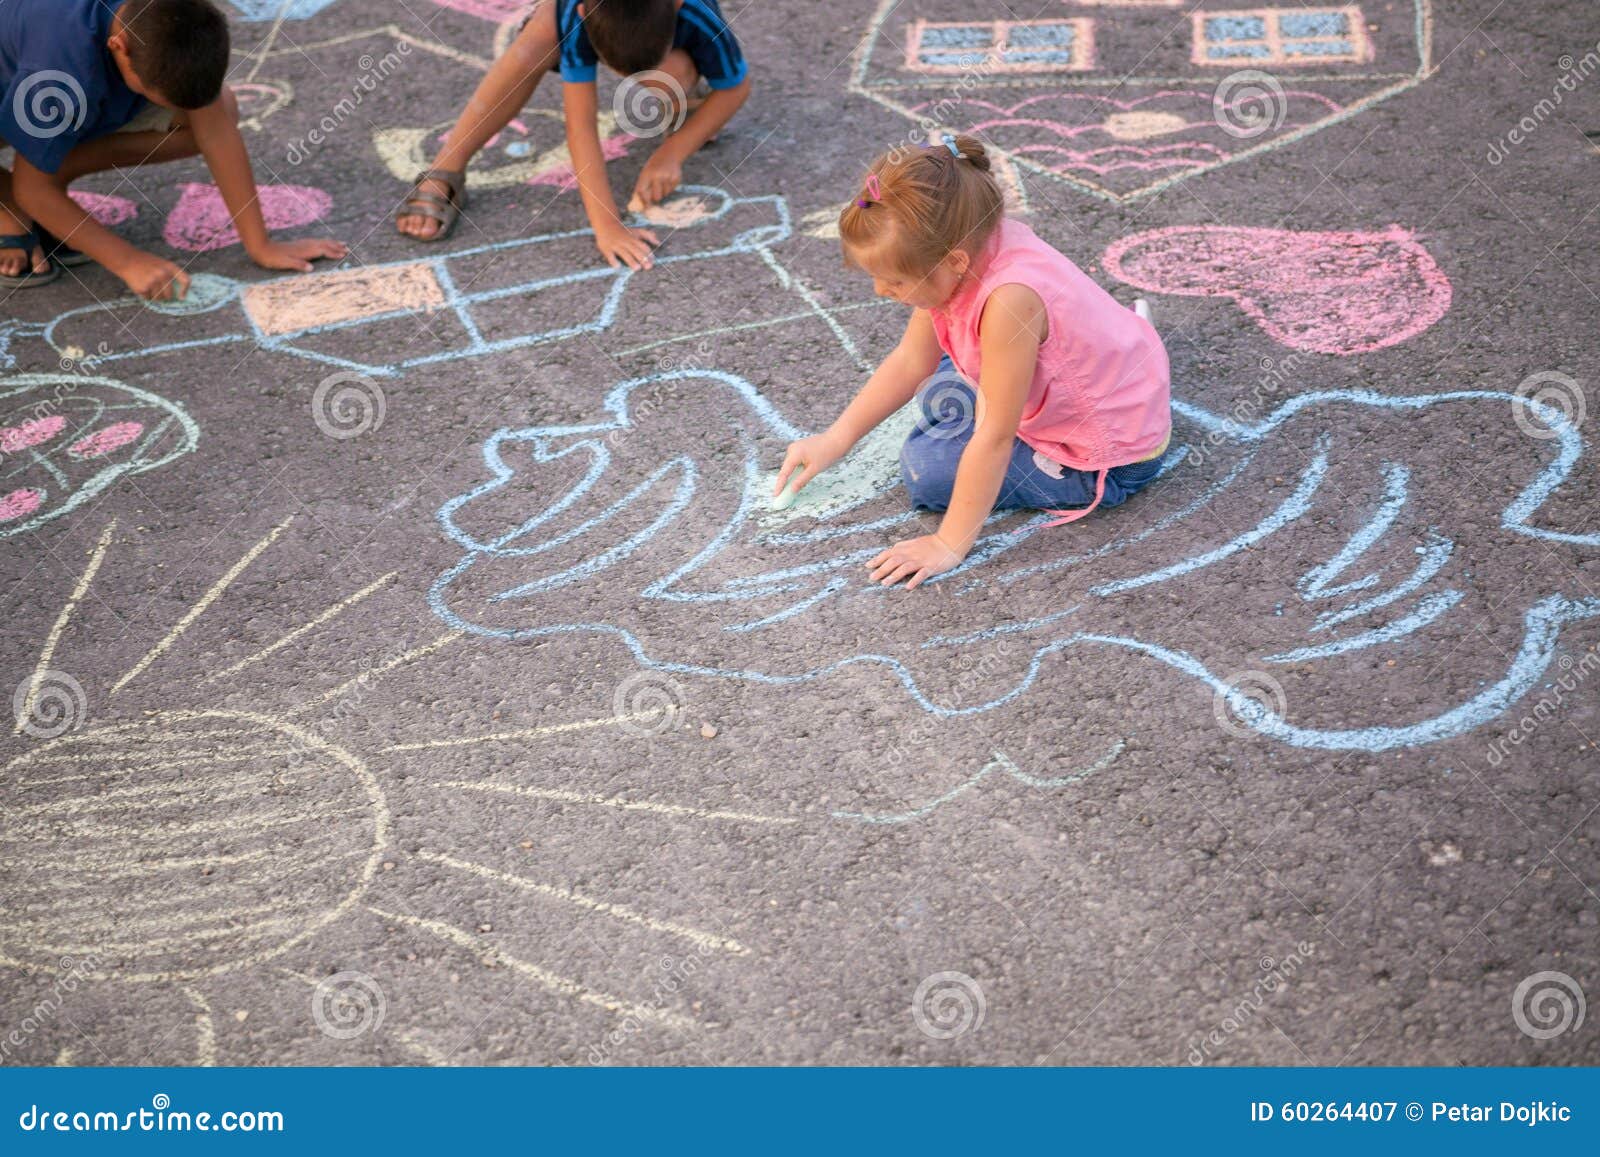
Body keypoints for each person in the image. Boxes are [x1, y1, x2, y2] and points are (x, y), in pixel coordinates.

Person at [775, 134, 1171, 590]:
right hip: (1112, 372)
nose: (881, 292)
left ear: (954, 261)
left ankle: (1075, 468)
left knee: (929, 469)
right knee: (946, 378)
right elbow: (911, 360)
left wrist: (948, 543)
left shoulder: (1008, 302)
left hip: (1108, 457)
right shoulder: (971, 236)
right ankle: (984, 387)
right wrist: (835, 438)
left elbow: (996, 437)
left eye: (894, 281)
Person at [0, 0, 346, 296]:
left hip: (41, 74)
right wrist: (129, 262)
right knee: (30, 190)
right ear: (120, 47)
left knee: (219, 106)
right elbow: (32, 190)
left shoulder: (166, 16)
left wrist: (261, 245)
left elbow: (215, 130)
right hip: (28, 79)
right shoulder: (58, 76)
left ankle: (52, 169)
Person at [395, 0, 749, 271]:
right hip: (590, 13)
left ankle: (683, 100)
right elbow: (580, 124)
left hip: (652, 20)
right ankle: (446, 168)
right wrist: (607, 225)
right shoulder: (574, 13)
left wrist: (672, 153)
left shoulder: (698, 12)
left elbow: (736, 87)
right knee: (537, 42)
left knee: (673, 70)